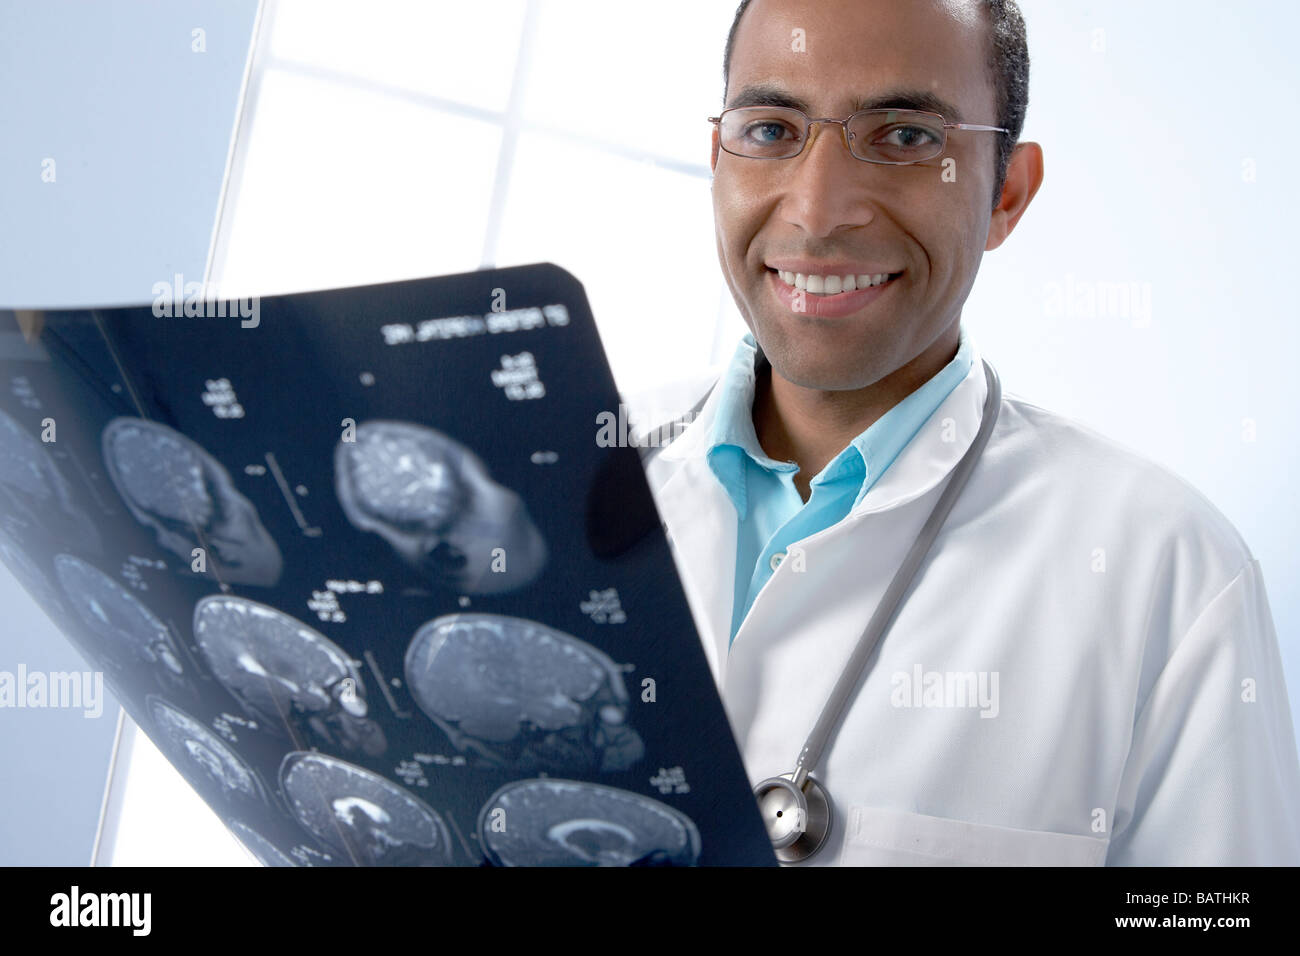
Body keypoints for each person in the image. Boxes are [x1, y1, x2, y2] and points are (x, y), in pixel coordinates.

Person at [640, 0, 1300, 865]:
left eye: (907, 137)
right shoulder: (569, 468)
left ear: (1007, 194)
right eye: (771, 129)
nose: (817, 209)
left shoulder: (1168, 567)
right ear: (717, 157)